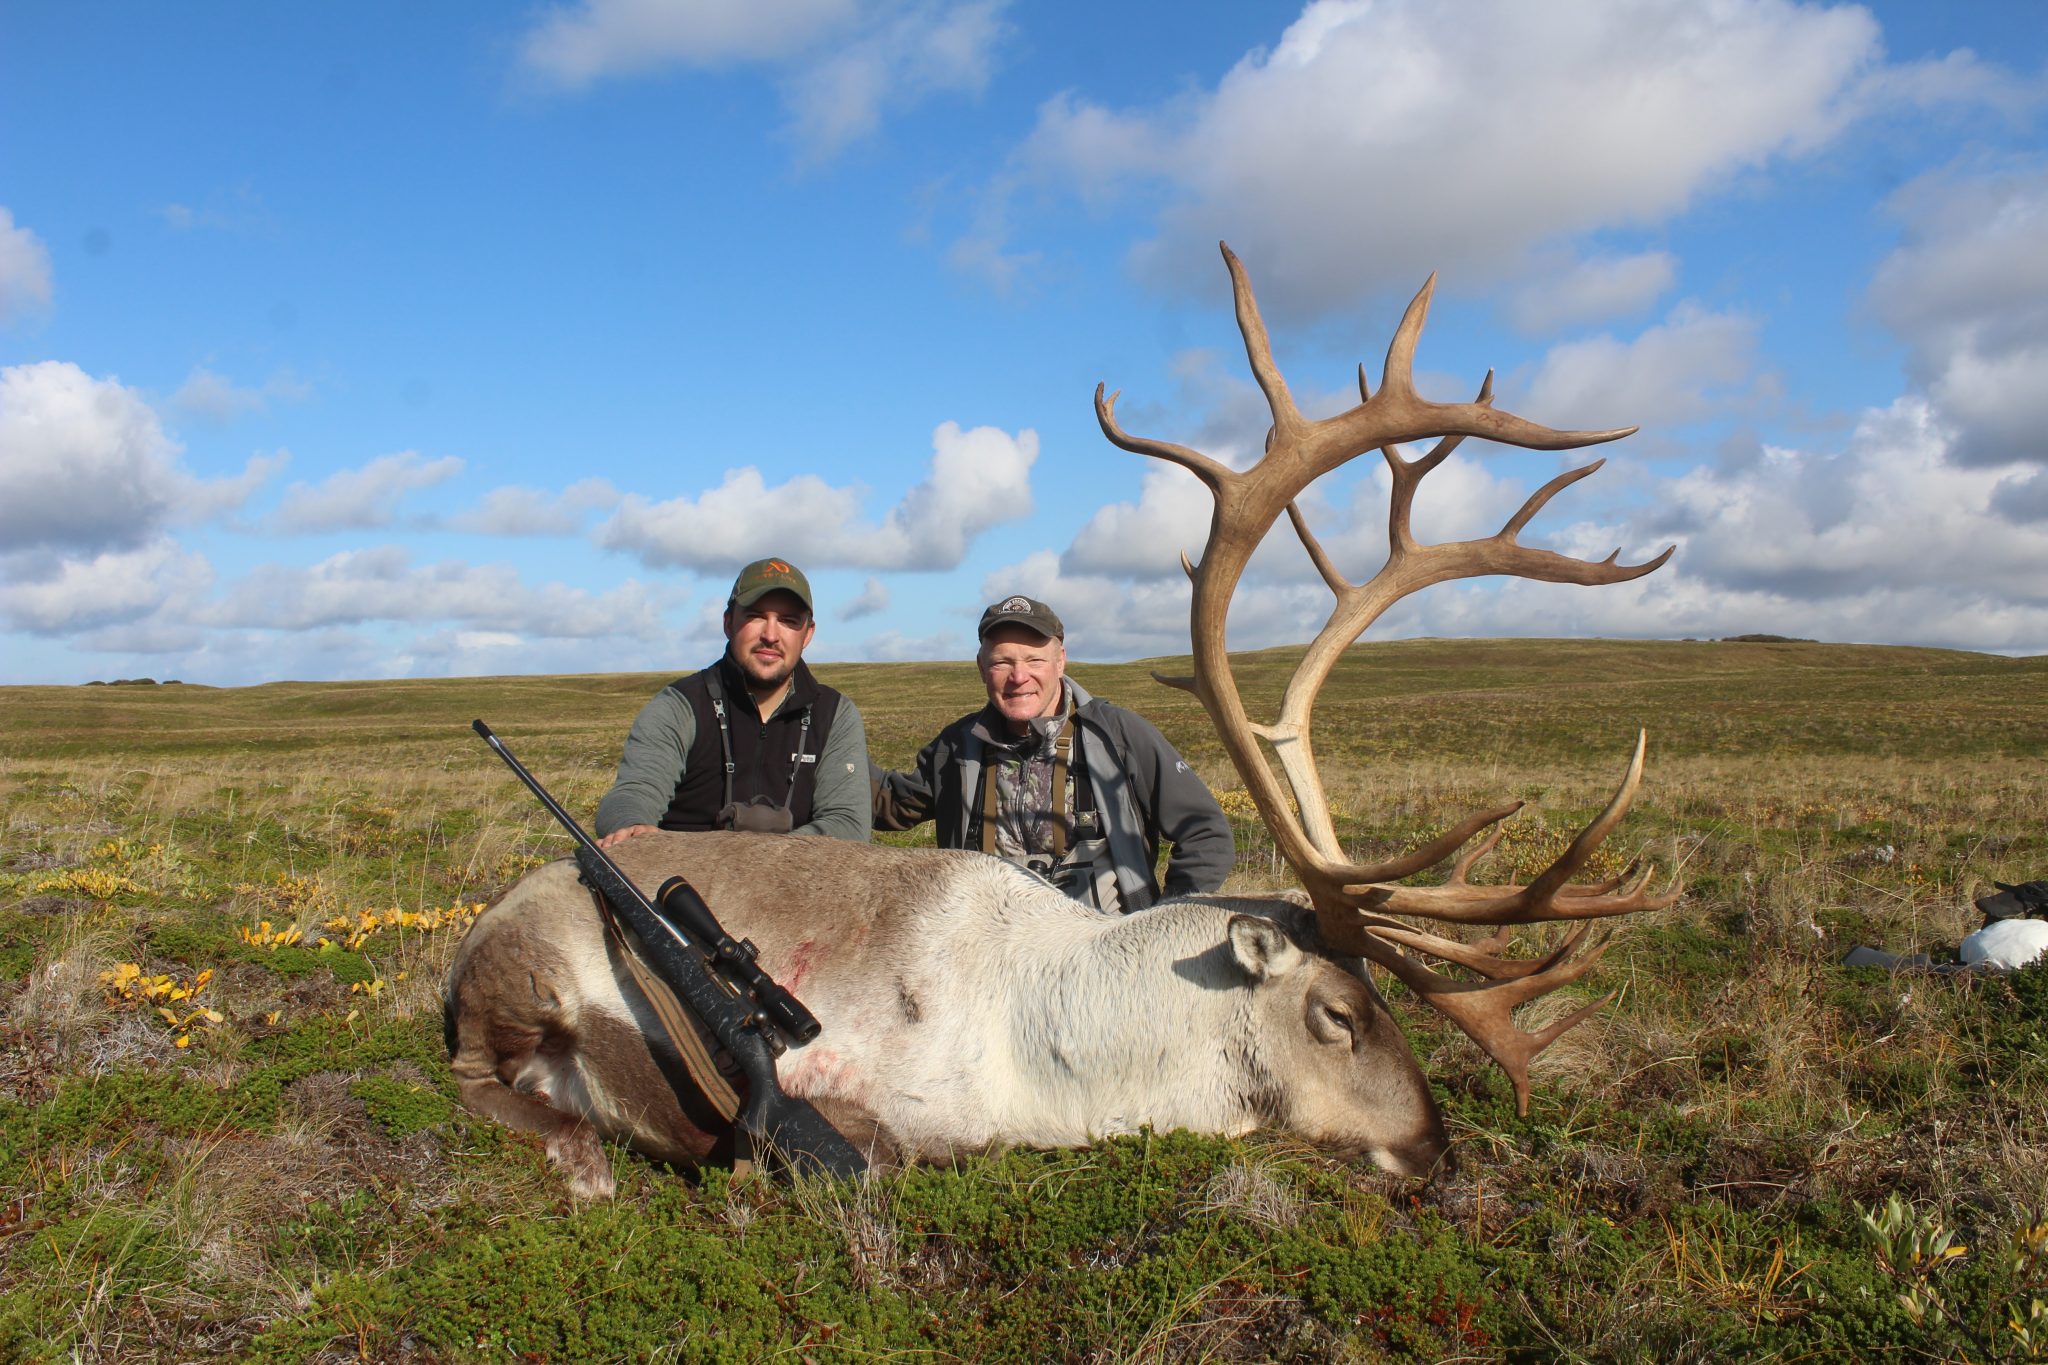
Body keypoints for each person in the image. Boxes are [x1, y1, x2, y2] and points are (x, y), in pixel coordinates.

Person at [871, 594, 1232, 912]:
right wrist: (831, 750)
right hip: (987, 959)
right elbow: (893, 803)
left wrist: (1165, 922)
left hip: (1105, 957)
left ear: (1061, 661)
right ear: (981, 668)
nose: (1018, 676)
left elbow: (1206, 833)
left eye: (1034, 660)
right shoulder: (955, 747)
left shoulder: (1118, 735)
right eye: (1002, 662)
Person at [596, 558, 871, 847]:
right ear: (728, 622)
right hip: (683, 880)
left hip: (796, 885)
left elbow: (847, 822)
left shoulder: (834, 714)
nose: (771, 635)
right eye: (756, 616)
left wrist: (758, 860)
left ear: (808, 634)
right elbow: (634, 792)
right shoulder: (680, 706)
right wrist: (630, 825)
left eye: (789, 621)